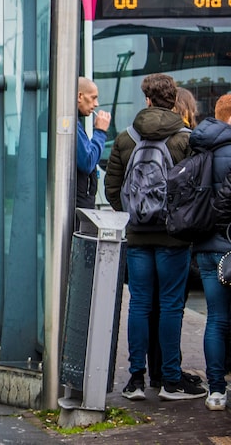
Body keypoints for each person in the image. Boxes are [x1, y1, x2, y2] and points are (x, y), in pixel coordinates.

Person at [105, 73, 205, 401]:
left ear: (146, 99)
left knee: (139, 304)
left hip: (137, 236)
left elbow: (113, 188)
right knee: (171, 306)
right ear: (174, 99)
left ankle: (135, 379)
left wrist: (135, 213)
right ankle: (171, 381)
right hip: (173, 238)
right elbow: (194, 191)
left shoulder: (125, 138)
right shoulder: (186, 139)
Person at [192, 93, 231, 410]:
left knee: (215, 319)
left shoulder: (199, 148)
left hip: (205, 247)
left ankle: (216, 390)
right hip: (229, 247)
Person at [76, 77, 111, 230]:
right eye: (93, 98)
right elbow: (87, 162)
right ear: (79, 96)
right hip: (78, 204)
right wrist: (100, 132)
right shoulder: (71, 124)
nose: (96, 104)